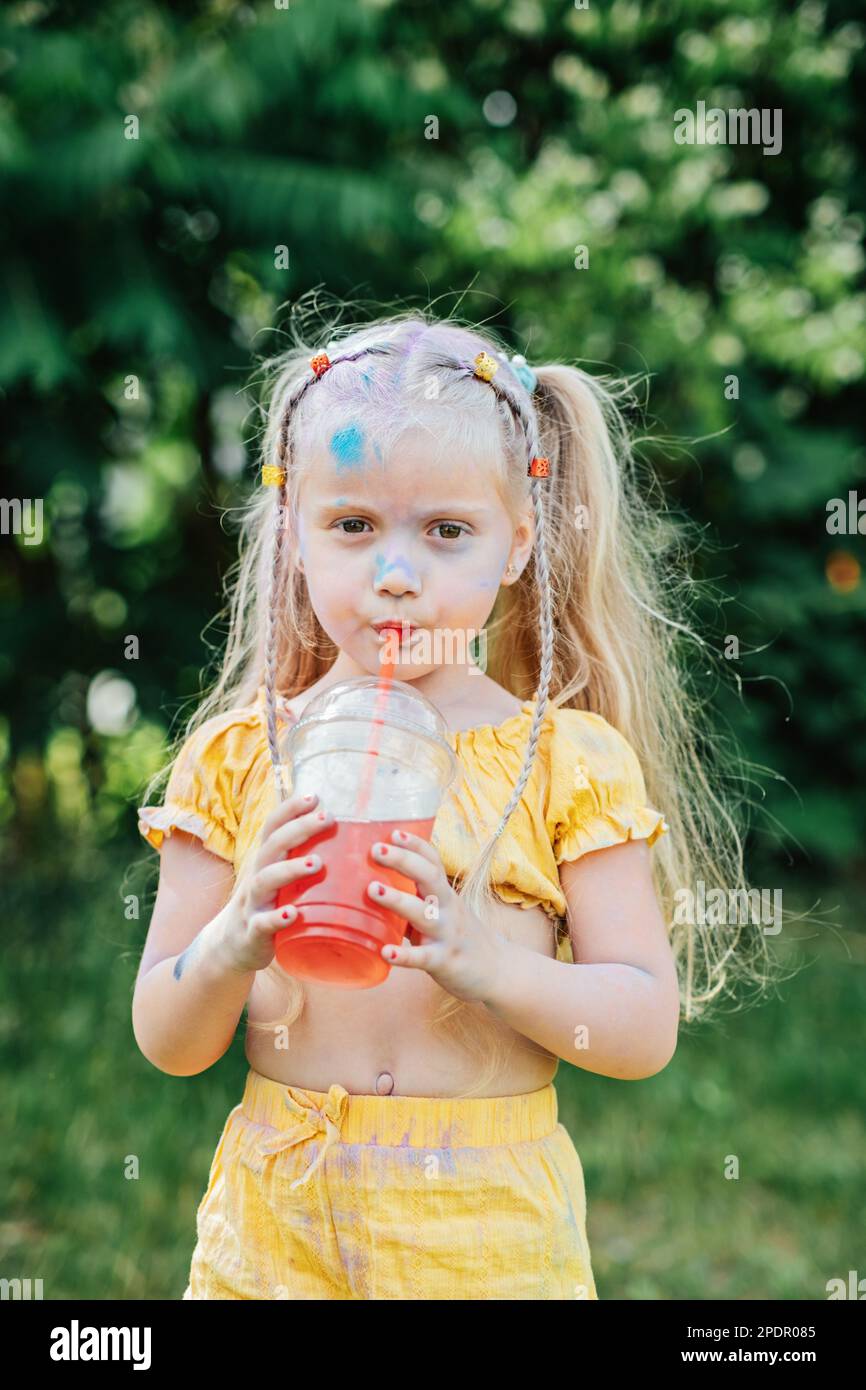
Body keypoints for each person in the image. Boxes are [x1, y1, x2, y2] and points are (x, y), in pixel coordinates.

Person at [134, 311, 770, 1300]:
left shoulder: (565, 759)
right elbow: (169, 1043)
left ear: (515, 544)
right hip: (273, 1230)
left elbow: (640, 1029)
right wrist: (231, 940)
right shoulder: (238, 754)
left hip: (485, 1236)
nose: (394, 575)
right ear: (294, 530)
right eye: (352, 525)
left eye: (445, 532)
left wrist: (487, 964)